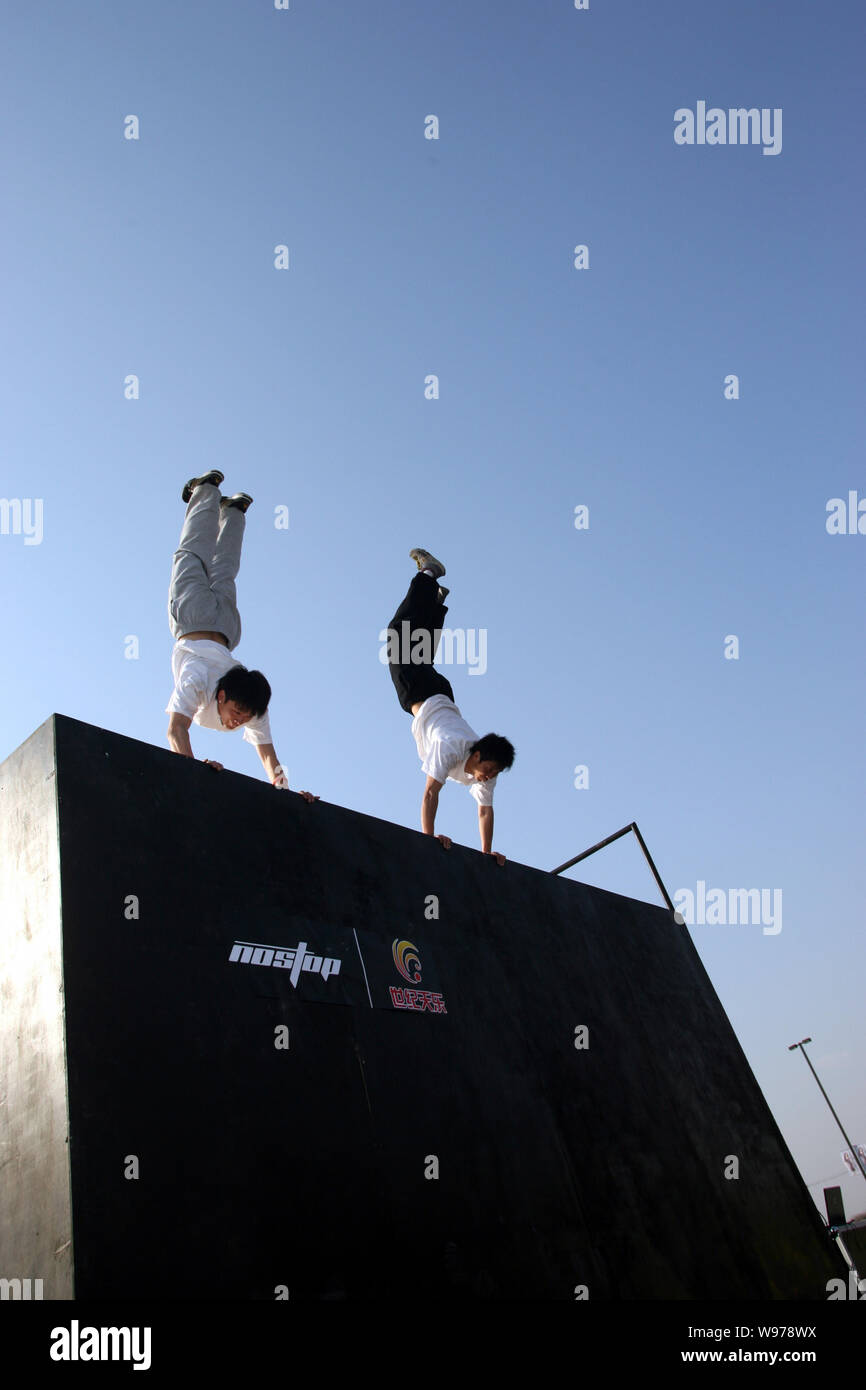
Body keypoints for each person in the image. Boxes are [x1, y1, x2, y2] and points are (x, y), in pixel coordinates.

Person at [165, 470, 316, 801]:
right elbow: (176, 730)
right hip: (195, 620)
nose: (238, 722)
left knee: (223, 570)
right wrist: (191, 776)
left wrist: (285, 793)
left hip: (227, 628)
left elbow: (269, 759)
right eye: (238, 715)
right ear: (220, 696)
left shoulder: (252, 707)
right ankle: (205, 491)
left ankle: (234, 512)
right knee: (193, 555)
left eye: (244, 718)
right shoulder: (198, 677)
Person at [385, 548, 514, 862]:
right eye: (488, 769)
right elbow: (430, 792)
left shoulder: (485, 772)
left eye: (493, 773)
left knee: (422, 654)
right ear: (478, 754)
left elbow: (485, 812)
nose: (487, 777)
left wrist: (486, 854)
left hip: (442, 694)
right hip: (422, 693)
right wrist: (428, 840)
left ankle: (434, 600)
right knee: (397, 635)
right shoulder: (451, 747)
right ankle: (428, 575)